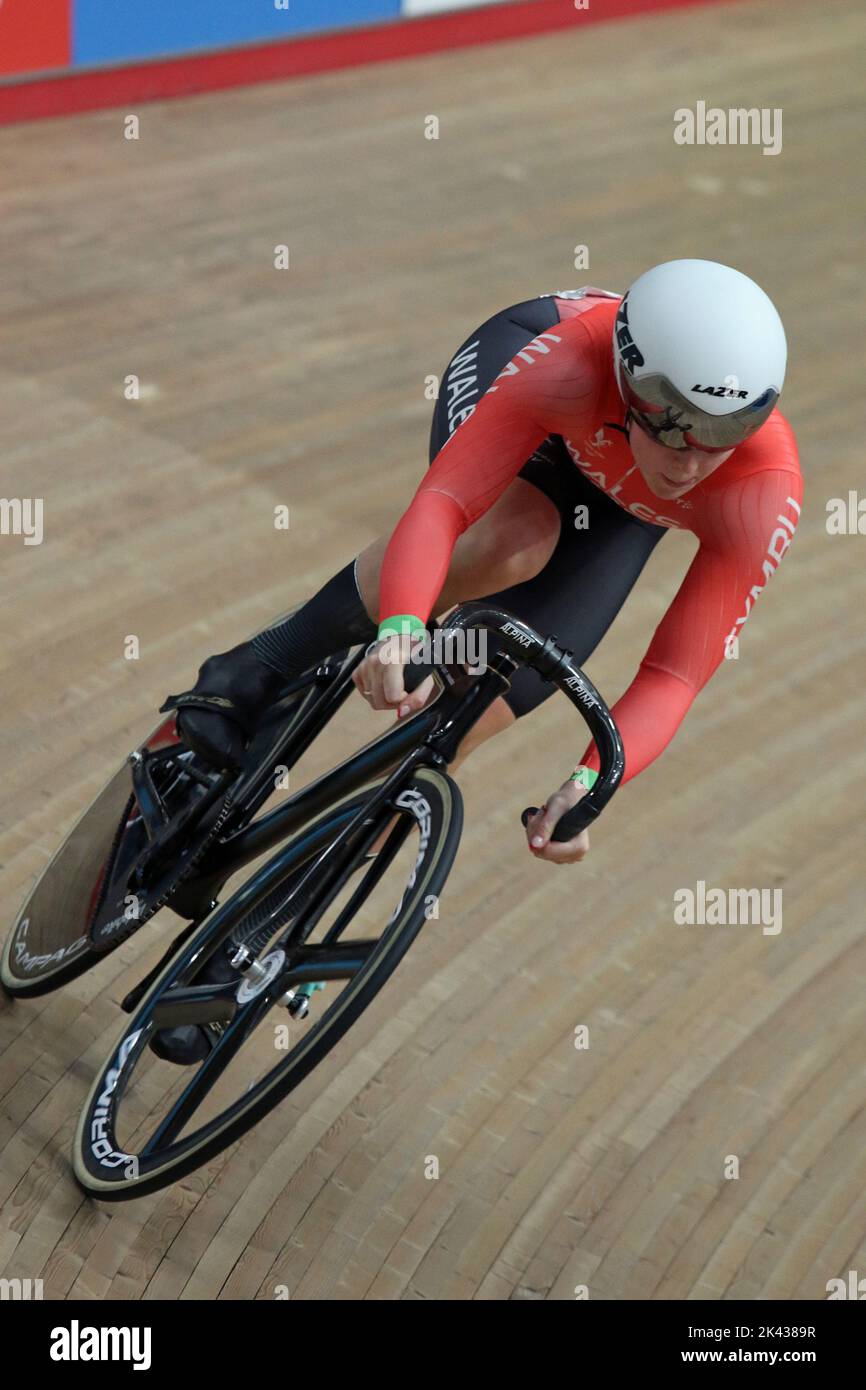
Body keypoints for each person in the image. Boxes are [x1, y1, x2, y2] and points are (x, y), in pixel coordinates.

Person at [153, 258, 801, 1062]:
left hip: (620, 509)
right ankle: (255, 670)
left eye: (724, 432)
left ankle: (257, 926)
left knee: (459, 722)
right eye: (672, 419)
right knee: (511, 542)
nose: (695, 457)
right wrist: (398, 626)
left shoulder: (761, 484)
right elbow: (444, 503)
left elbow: (673, 675)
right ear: (631, 379)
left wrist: (597, 779)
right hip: (528, 388)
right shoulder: (570, 361)